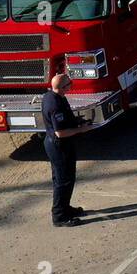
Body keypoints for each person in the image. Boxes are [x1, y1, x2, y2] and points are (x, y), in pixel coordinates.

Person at [42, 73, 92, 227]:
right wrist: (81, 130)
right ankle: (59, 216)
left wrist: (76, 121)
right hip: (59, 145)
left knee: (65, 179)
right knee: (63, 181)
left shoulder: (51, 96)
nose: (71, 85)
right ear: (63, 87)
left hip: (56, 144)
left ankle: (65, 208)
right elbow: (60, 132)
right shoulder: (55, 104)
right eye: (69, 83)